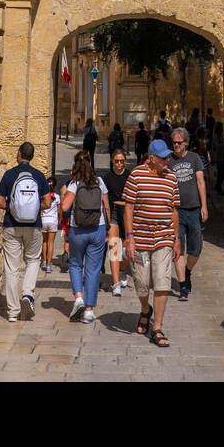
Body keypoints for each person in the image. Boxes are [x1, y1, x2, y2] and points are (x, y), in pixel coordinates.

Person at [122, 138, 181, 349]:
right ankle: (145, 309)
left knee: (162, 280)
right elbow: (128, 207)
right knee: (141, 282)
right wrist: (129, 237)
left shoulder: (172, 178)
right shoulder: (136, 175)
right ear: (152, 158)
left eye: (168, 157)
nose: (167, 160)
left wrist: (176, 239)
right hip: (139, 239)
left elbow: (174, 210)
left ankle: (157, 327)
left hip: (163, 237)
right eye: (163, 157)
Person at [0, 142, 52, 321]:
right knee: (33, 260)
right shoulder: (39, 176)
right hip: (33, 226)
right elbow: (48, 203)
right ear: (32, 156)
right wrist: (34, 209)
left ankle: (13, 312)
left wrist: (13, 209)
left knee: (12, 268)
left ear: (19, 154)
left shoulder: (9, 175)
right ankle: (27, 294)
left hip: (11, 226)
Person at [61, 150, 110, 323]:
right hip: (98, 228)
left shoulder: (74, 183)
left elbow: (65, 207)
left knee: (75, 264)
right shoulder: (100, 181)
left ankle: (79, 299)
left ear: (75, 165)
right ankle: (89, 310)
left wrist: (63, 194)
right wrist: (108, 229)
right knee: (93, 268)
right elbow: (106, 207)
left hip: (78, 229)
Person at [169, 126, 208, 301]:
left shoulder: (194, 159)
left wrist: (204, 206)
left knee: (196, 248)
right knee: (178, 249)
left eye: (179, 143)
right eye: (174, 143)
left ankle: (187, 271)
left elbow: (201, 182)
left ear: (186, 142)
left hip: (193, 210)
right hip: (176, 211)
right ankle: (183, 286)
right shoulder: (168, 160)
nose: (176, 146)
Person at [102, 146, 131, 294]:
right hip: (113, 211)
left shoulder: (130, 176)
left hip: (126, 211)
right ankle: (116, 283)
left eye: (122, 161)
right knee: (115, 246)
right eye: (117, 161)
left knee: (125, 247)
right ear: (112, 162)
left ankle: (122, 269)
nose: (119, 164)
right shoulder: (107, 178)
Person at [40, 175, 60, 273]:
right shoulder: (57, 197)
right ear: (55, 187)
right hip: (53, 221)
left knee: (44, 242)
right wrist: (60, 220)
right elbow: (59, 211)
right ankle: (48, 265)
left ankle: (43, 260)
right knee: (50, 243)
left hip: (44, 221)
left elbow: (41, 210)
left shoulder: (43, 197)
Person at [211, 121, 224, 195]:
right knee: (221, 173)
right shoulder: (216, 136)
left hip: (221, 156)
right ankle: (218, 186)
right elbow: (218, 145)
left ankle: (218, 186)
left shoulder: (220, 136)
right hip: (219, 157)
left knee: (222, 173)